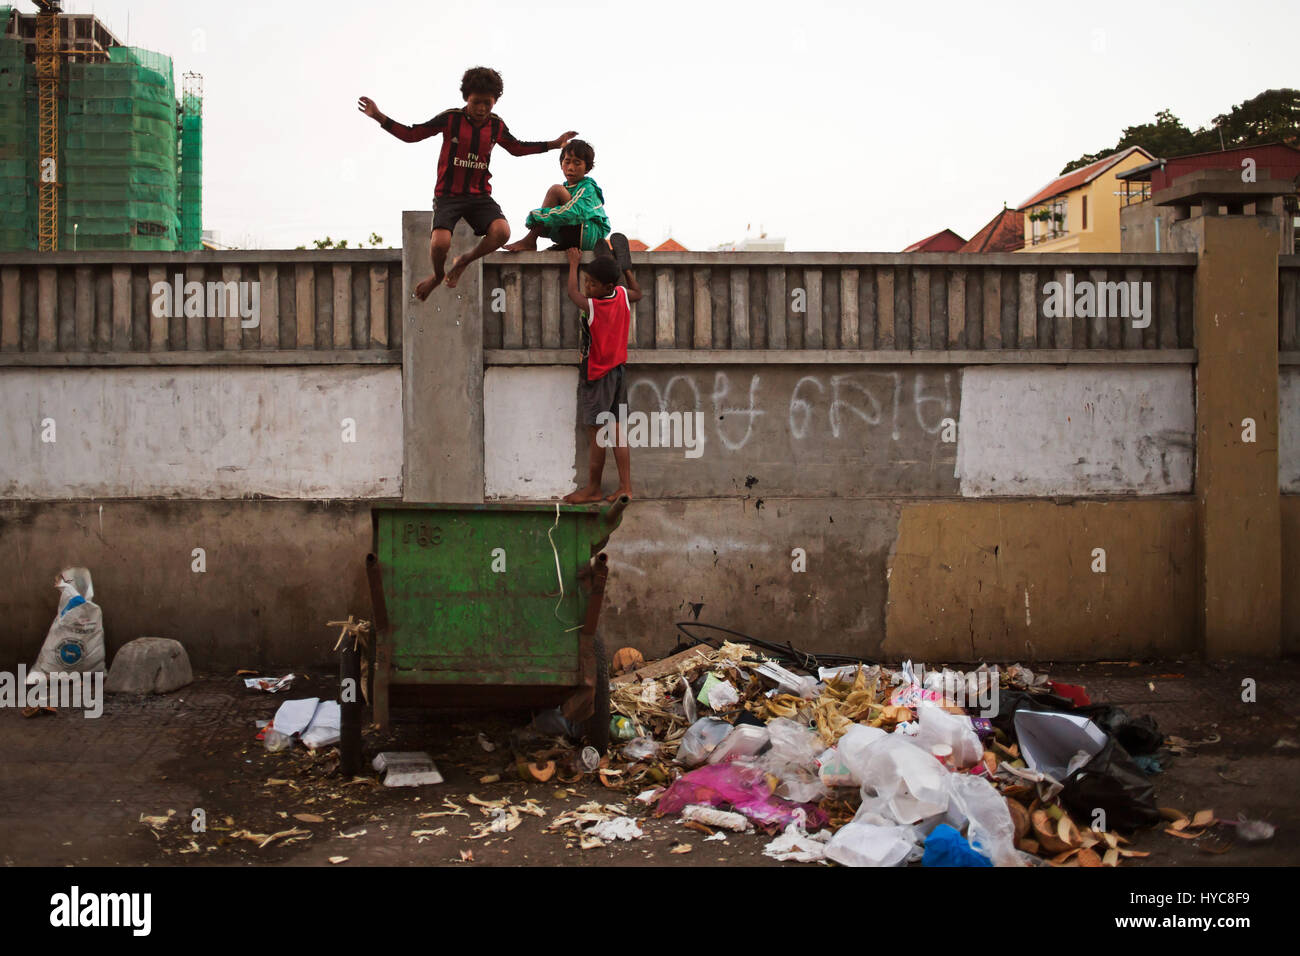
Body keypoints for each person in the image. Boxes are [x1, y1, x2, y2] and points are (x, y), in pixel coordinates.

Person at [357, 66, 576, 298]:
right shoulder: (451, 118)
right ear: (466, 99)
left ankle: (464, 261)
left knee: (502, 232)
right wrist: (379, 116)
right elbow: (412, 135)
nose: (481, 109)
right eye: (476, 103)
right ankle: (438, 275)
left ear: (495, 102)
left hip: (479, 196)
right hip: (449, 196)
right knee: (440, 244)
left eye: (487, 104)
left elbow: (517, 148)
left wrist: (553, 144)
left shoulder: (496, 126)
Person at [563, 248, 641, 503]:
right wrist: (627, 270)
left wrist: (573, 264)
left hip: (597, 376)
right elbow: (638, 293)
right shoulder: (620, 295)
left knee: (597, 434)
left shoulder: (593, 306)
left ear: (607, 287)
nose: (586, 287)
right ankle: (625, 487)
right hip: (618, 373)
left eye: (592, 284)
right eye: (586, 281)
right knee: (617, 431)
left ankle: (594, 488)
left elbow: (571, 293)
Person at [503, 139, 611, 253]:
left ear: (587, 168)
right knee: (556, 195)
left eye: (577, 163)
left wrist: (537, 216)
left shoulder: (588, 188)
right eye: (567, 161)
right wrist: (541, 218)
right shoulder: (565, 188)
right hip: (571, 238)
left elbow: (573, 212)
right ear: (561, 164)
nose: (570, 168)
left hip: (587, 236)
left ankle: (530, 240)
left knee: (555, 190)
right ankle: (551, 243)